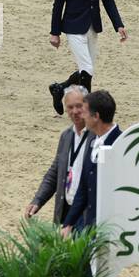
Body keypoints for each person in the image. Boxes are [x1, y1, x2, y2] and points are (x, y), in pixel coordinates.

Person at [47, 0, 127, 115]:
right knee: (87, 68)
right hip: (74, 26)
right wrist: (55, 32)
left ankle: (60, 88)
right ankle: (88, 111)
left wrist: (118, 24)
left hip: (92, 25)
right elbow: (59, 2)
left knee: (87, 71)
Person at [26, 84, 89, 226]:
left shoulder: (97, 137)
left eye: (79, 106)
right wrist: (38, 200)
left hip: (87, 214)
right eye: (70, 107)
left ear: (87, 106)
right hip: (66, 209)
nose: (75, 111)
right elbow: (55, 172)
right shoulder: (66, 136)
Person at [62, 89, 121, 235]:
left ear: (96, 117)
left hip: (111, 228)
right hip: (90, 225)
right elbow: (83, 187)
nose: (82, 115)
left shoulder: (121, 145)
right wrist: (68, 223)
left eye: (85, 111)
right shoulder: (93, 141)